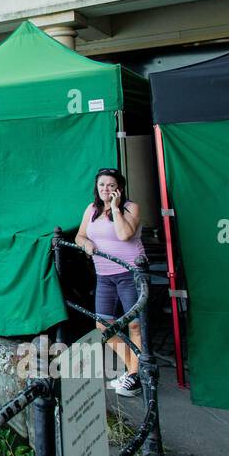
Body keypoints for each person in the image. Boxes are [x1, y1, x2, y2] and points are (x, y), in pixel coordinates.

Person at [75, 167, 144, 397]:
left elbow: (124, 235)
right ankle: (134, 372)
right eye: (102, 185)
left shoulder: (130, 208)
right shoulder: (92, 209)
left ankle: (134, 377)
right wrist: (85, 244)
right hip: (104, 276)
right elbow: (80, 235)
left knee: (135, 325)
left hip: (129, 274)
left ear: (119, 189)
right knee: (104, 326)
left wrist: (114, 208)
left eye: (111, 185)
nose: (105, 189)